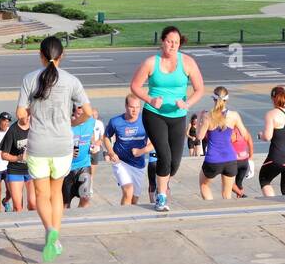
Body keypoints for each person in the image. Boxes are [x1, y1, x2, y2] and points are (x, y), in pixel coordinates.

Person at [19, 36, 90, 262]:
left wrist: (31, 113)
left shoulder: (30, 79)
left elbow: (21, 114)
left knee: (41, 194)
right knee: (57, 192)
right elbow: (88, 111)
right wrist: (72, 123)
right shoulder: (71, 81)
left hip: (38, 144)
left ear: (40, 55)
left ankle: (49, 229)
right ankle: (55, 237)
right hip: (62, 144)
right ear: (62, 56)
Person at [129, 26, 206, 212]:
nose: (172, 45)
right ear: (162, 41)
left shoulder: (187, 62)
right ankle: (161, 195)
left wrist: (187, 105)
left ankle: (162, 182)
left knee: (175, 161)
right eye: (169, 41)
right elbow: (135, 86)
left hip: (178, 116)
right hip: (154, 114)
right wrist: (150, 99)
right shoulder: (151, 63)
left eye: (176, 42)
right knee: (164, 155)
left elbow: (200, 89)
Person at [197, 87, 253, 200]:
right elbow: (245, 134)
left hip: (213, 160)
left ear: (213, 99)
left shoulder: (207, 116)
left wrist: (199, 119)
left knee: (204, 185)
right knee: (227, 194)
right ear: (226, 100)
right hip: (231, 159)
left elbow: (199, 137)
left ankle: (211, 209)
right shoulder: (234, 115)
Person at [103, 95, 152, 205]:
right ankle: (122, 221)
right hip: (120, 162)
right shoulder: (115, 121)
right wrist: (111, 152)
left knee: (134, 199)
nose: (135, 110)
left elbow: (155, 141)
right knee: (128, 191)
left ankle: (129, 217)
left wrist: (141, 151)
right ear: (126, 106)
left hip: (138, 164)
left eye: (137, 107)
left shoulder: (146, 121)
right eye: (131, 107)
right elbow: (106, 137)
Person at [63, 106, 97, 209]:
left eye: (83, 114)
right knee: (65, 204)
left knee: (85, 197)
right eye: (78, 114)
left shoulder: (91, 121)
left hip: (84, 165)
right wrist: (68, 152)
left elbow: (92, 137)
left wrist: (93, 145)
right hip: (67, 169)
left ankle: (80, 216)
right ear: (73, 113)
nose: (81, 117)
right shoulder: (66, 125)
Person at [0, 112, 34, 212]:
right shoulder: (13, 130)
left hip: (32, 169)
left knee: (33, 205)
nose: (28, 118)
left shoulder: (35, 127)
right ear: (19, 116)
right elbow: (4, 155)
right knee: (18, 207)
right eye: (25, 116)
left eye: (29, 116)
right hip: (15, 170)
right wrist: (18, 158)